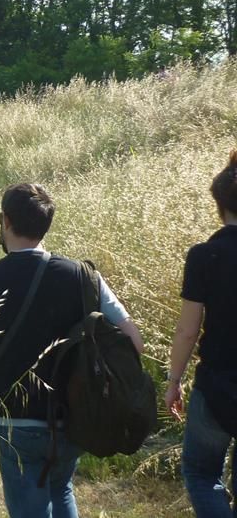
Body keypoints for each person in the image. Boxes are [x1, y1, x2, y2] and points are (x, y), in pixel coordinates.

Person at [0, 183, 143, 518]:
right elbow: (133, 340)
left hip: (13, 418)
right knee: (61, 489)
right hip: (73, 414)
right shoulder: (84, 276)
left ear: (5, 221)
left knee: (29, 506)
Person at [166, 150, 237, 517]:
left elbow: (187, 330)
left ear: (219, 204)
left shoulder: (204, 255)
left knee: (200, 472)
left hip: (217, 384)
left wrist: (173, 380)